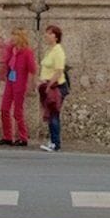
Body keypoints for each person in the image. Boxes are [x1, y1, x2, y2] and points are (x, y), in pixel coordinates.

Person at [0, 23, 35, 147]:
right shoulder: (12, 50)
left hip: (20, 83)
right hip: (10, 81)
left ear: (21, 37)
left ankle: (23, 137)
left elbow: (32, 69)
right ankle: (7, 136)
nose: (12, 38)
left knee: (18, 111)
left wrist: (31, 85)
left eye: (15, 35)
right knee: (4, 108)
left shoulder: (27, 52)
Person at [37, 23, 70, 152]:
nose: (47, 35)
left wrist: (49, 85)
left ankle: (56, 142)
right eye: (47, 33)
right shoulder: (50, 50)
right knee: (50, 113)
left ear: (56, 37)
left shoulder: (58, 51)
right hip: (47, 85)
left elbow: (59, 70)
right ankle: (52, 141)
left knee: (54, 114)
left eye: (50, 33)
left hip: (56, 87)